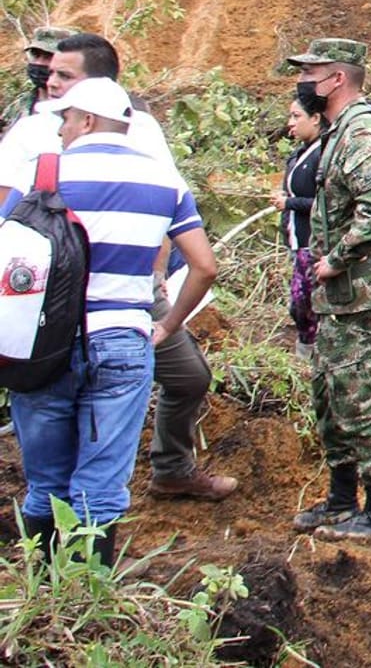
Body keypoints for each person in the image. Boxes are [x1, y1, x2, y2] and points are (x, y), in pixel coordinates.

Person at [0, 33, 234, 503]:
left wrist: (158, 293)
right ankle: (82, 561)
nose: (51, 82)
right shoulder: (31, 130)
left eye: (65, 75)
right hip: (86, 314)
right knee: (96, 477)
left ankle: (170, 469)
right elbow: (200, 256)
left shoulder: (136, 130)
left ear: (92, 99)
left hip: (111, 300)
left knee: (186, 376)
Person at [286, 37, 371, 540]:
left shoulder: (361, 133)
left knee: (359, 400)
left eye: (313, 74)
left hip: (359, 295)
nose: (304, 83)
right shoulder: (336, 133)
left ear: (338, 79)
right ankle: (340, 499)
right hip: (337, 299)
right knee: (331, 398)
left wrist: (334, 260)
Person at [275, 93, 327, 362]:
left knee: (305, 301)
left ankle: (311, 352)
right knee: (299, 302)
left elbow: (327, 201)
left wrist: (290, 203)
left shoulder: (322, 154)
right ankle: (307, 351)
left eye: (297, 116)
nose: (290, 123)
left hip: (313, 242)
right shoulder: (299, 154)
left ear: (316, 118)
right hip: (299, 241)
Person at [3, 25, 76, 130]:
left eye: (48, 56)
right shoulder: (19, 105)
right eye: (36, 55)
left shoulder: (82, 109)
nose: (39, 63)